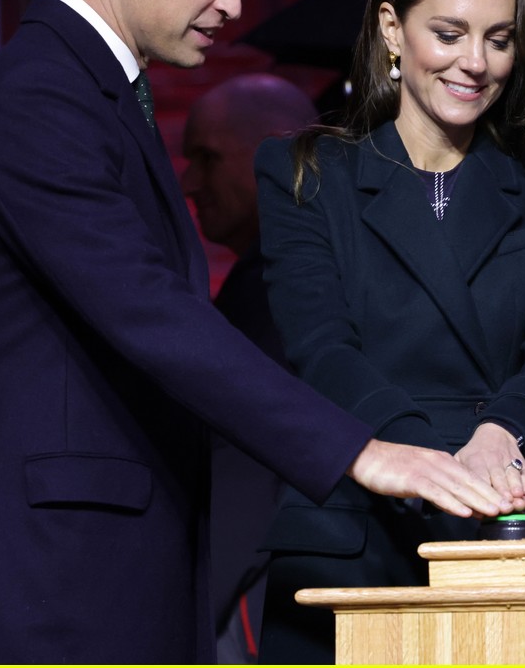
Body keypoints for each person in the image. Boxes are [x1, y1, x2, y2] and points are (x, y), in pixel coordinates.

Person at [0, 0, 507, 665]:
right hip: (48, 589)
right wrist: (359, 451)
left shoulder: (92, 91)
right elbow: (151, 314)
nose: (232, 3)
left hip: (98, 570)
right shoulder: (38, 94)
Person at [254, 0, 525, 663]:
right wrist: (428, 458)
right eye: (449, 33)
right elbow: (321, 347)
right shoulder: (306, 173)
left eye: (499, 39)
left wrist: (501, 433)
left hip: (497, 521)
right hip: (349, 533)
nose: (476, 62)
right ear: (392, 29)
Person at [181, 73, 320, 663]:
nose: (189, 182)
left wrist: (198, 601)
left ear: (275, 158)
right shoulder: (274, 272)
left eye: (207, 158)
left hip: (260, 582)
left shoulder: (287, 282)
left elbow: (249, 456)